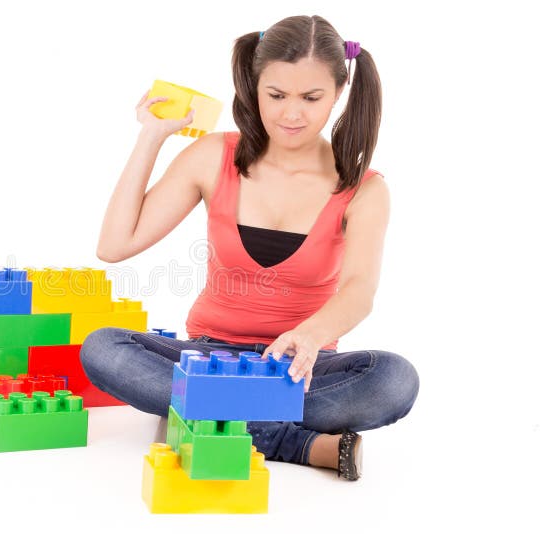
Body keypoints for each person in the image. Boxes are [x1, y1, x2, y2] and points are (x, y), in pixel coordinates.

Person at [80, 15, 419, 481]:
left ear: (338, 93)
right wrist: (151, 137)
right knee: (103, 348)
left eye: (311, 98)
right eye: (276, 95)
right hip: (207, 359)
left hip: (301, 366)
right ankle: (294, 443)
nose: (291, 114)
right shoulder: (213, 156)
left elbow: (359, 290)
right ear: (255, 86)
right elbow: (114, 245)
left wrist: (311, 335)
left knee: (394, 380)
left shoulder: (364, 189)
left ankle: (201, 418)